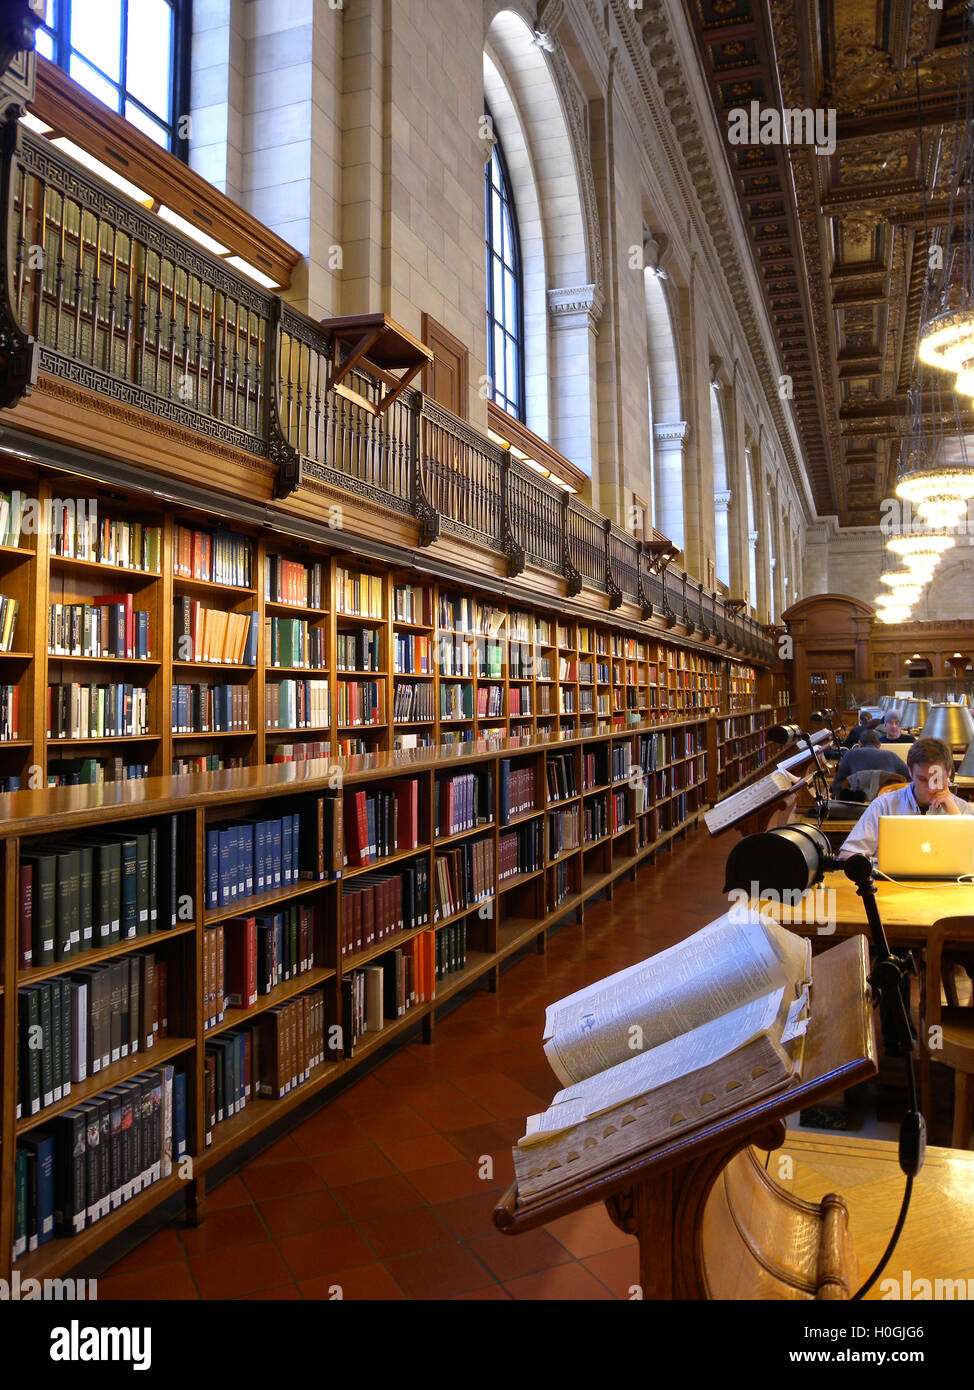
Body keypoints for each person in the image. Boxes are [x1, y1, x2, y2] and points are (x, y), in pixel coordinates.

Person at [838, 736, 974, 860]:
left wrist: (957, 817)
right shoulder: (884, 805)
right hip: (891, 885)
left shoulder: (962, 809)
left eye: (937, 779)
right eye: (922, 779)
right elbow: (846, 855)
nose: (931, 788)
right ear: (910, 771)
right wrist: (885, 864)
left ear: (949, 772)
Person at [830, 729, 909, 797]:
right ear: (879, 745)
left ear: (860, 744)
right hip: (886, 804)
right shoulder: (891, 756)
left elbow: (837, 784)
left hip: (856, 807)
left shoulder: (850, 754)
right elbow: (910, 778)